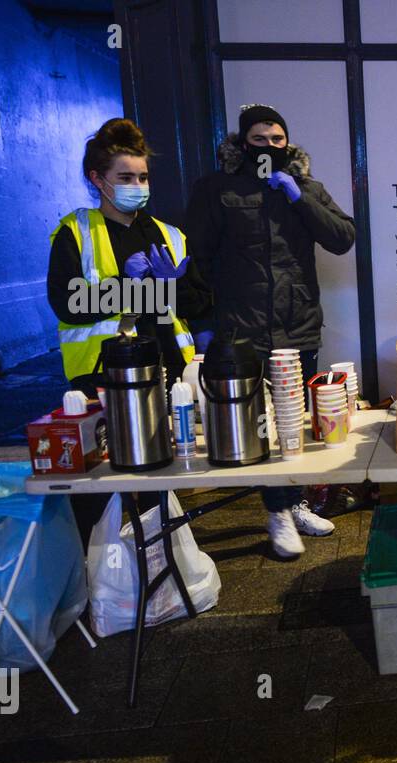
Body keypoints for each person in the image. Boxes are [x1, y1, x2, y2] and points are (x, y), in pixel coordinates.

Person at [186, 104, 356, 559]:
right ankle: (277, 511)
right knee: (258, 424)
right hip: (241, 330)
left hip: (297, 325)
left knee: (295, 423)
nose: (268, 147)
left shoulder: (304, 186)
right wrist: (201, 324)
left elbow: (342, 237)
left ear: (288, 143)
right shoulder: (216, 190)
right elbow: (197, 258)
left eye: (277, 139)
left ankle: (296, 502)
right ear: (243, 143)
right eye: (258, 139)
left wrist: (299, 198)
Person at [47, 118, 211, 398]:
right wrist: (125, 282)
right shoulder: (75, 233)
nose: (137, 185)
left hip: (172, 372)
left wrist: (176, 284)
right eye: (125, 178)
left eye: (143, 177)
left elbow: (199, 307)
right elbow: (68, 305)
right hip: (105, 375)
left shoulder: (169, 235)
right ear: (97, 179)